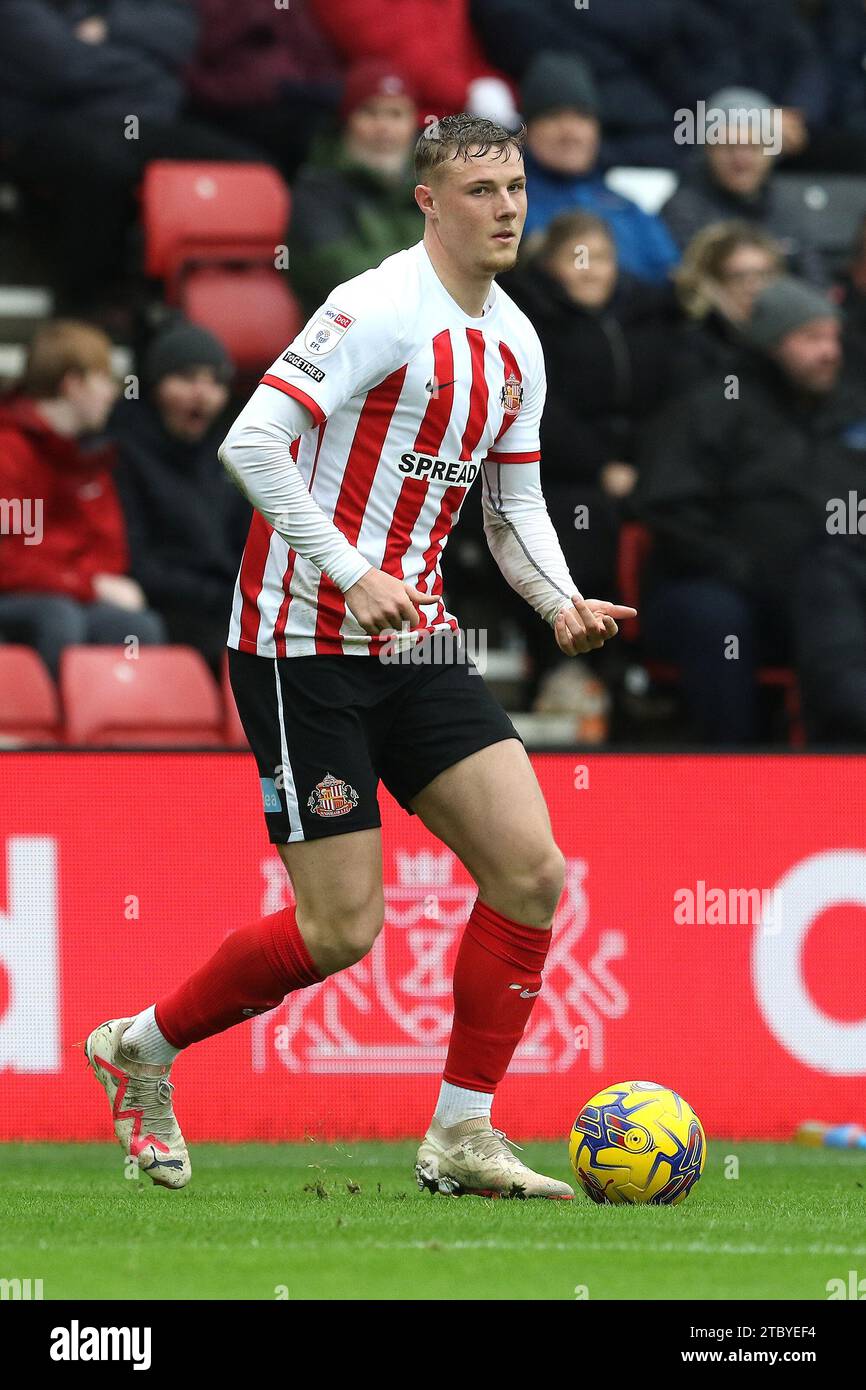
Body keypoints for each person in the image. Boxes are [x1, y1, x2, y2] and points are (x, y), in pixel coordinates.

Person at [84, 114, 634, 1199]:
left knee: (529, 872)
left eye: (516, 186)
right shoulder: (373, 308)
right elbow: (252, 440)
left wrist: (558, 601)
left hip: (414, 638)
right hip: (301, 643)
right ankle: (138, 1048)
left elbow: (511, 508)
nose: (508, 206)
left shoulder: (515, 341)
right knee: (342, 930)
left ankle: (462, 1134)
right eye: (480, 189)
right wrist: (345, 569)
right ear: (426, 201)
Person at [634, 276, 866, 744]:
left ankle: (844, 755)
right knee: (717, 619)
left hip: (830, 583)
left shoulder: (846, 410)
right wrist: (740, 567)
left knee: (835, 595)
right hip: (723, 584)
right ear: (773, 342)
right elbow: (666, 509)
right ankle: (733, 766)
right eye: (812, 338)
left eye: (833, 337)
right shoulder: (714, 406)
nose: (830, 352)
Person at [504, 210, 677, 705]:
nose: (590, 270)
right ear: (549, 264)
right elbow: (538, 408)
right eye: (576, 258)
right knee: (578, 521)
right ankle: (566, 660)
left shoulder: (645, 314)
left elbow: (669, 402)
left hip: (644, 468)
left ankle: (644, 669)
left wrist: (648, 465)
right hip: (557, 470)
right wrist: (601, 468)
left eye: (601, 258)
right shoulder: (527, 316)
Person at [0, 321, 165, 674]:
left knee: (140, 627)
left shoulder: (89, 461)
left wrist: (85, 583)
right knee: (58, 619)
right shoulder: (9, 453)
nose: (112, 394)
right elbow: (9, 561)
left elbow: (109, 554)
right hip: (24, 596)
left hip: (65, 594)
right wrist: (87, 584)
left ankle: (117, 727)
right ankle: (41, 725)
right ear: (73, 384)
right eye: (104, 380)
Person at [112, 319, 249, 673]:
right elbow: (136, 562)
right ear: (156, 385)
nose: (202, 394)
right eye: (187, 378)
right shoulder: (121, 455)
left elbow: (247, 548)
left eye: (216, 382)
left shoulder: (227, 456)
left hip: (227, 608)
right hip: (164, 611)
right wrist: (223, 596)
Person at [519, 52, 680, 286]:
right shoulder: (511, 205)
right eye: (553, 117)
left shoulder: (626, 207)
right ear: (527, 130)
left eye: (582, 117)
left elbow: (672, 276)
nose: (570, 133)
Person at [288, 60, 423, 314]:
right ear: (347, 121)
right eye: (370, 112)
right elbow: (342, 273)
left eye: (396, 114)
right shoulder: (316, 189)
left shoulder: (433, 185)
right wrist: (441, 273)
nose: (383, 127)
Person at [661, 88, 826, 285]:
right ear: (707, 151)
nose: (741, 159)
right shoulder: (683, 211)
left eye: (753, 146)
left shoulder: (788, 205)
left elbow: (816, 284)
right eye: (728, 147)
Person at [670, 221, 785, 393]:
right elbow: (731, 403)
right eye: (739, 277)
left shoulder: (786, 338)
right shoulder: (692, 348)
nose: (755, 287)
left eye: (764, 275)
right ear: (709, 283)